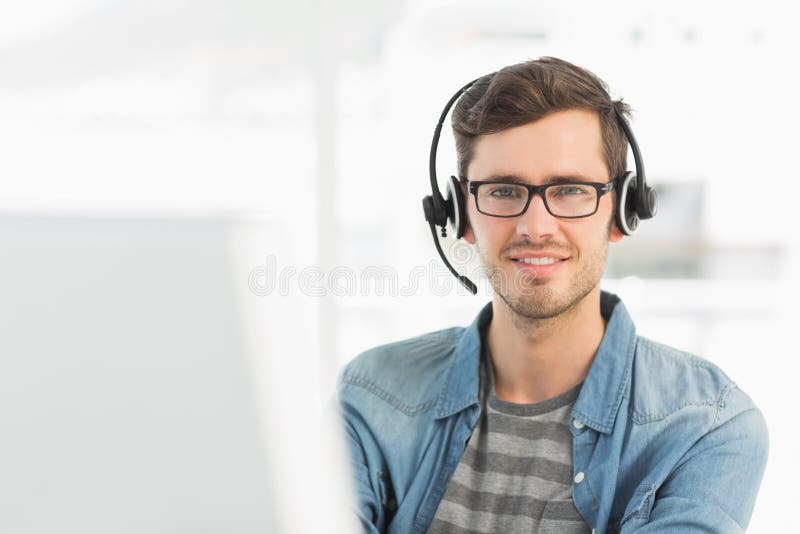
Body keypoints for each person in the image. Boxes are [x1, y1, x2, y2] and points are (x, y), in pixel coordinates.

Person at [336, 57, 768, 534]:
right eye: (503, 191)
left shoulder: (706, 425)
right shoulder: (372, 396)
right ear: (459, 214)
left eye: (570, 190)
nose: (535, 227)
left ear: (622, 210)